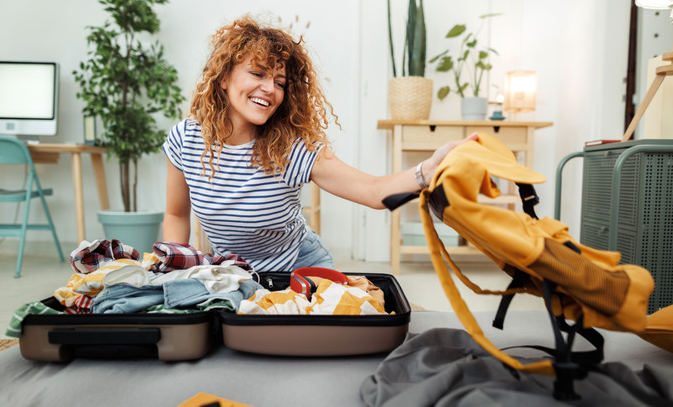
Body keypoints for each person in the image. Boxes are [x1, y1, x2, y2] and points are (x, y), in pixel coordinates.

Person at [162, 15, 476, 272]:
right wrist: (177, 270)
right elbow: (176, 215)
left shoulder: (292, 149)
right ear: (223, 77)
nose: (270, 89)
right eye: (257, 73)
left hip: (300, 268)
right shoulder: (185, 140)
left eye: (280, 82)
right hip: (231, 272)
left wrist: (427, 169)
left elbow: (373, 191)